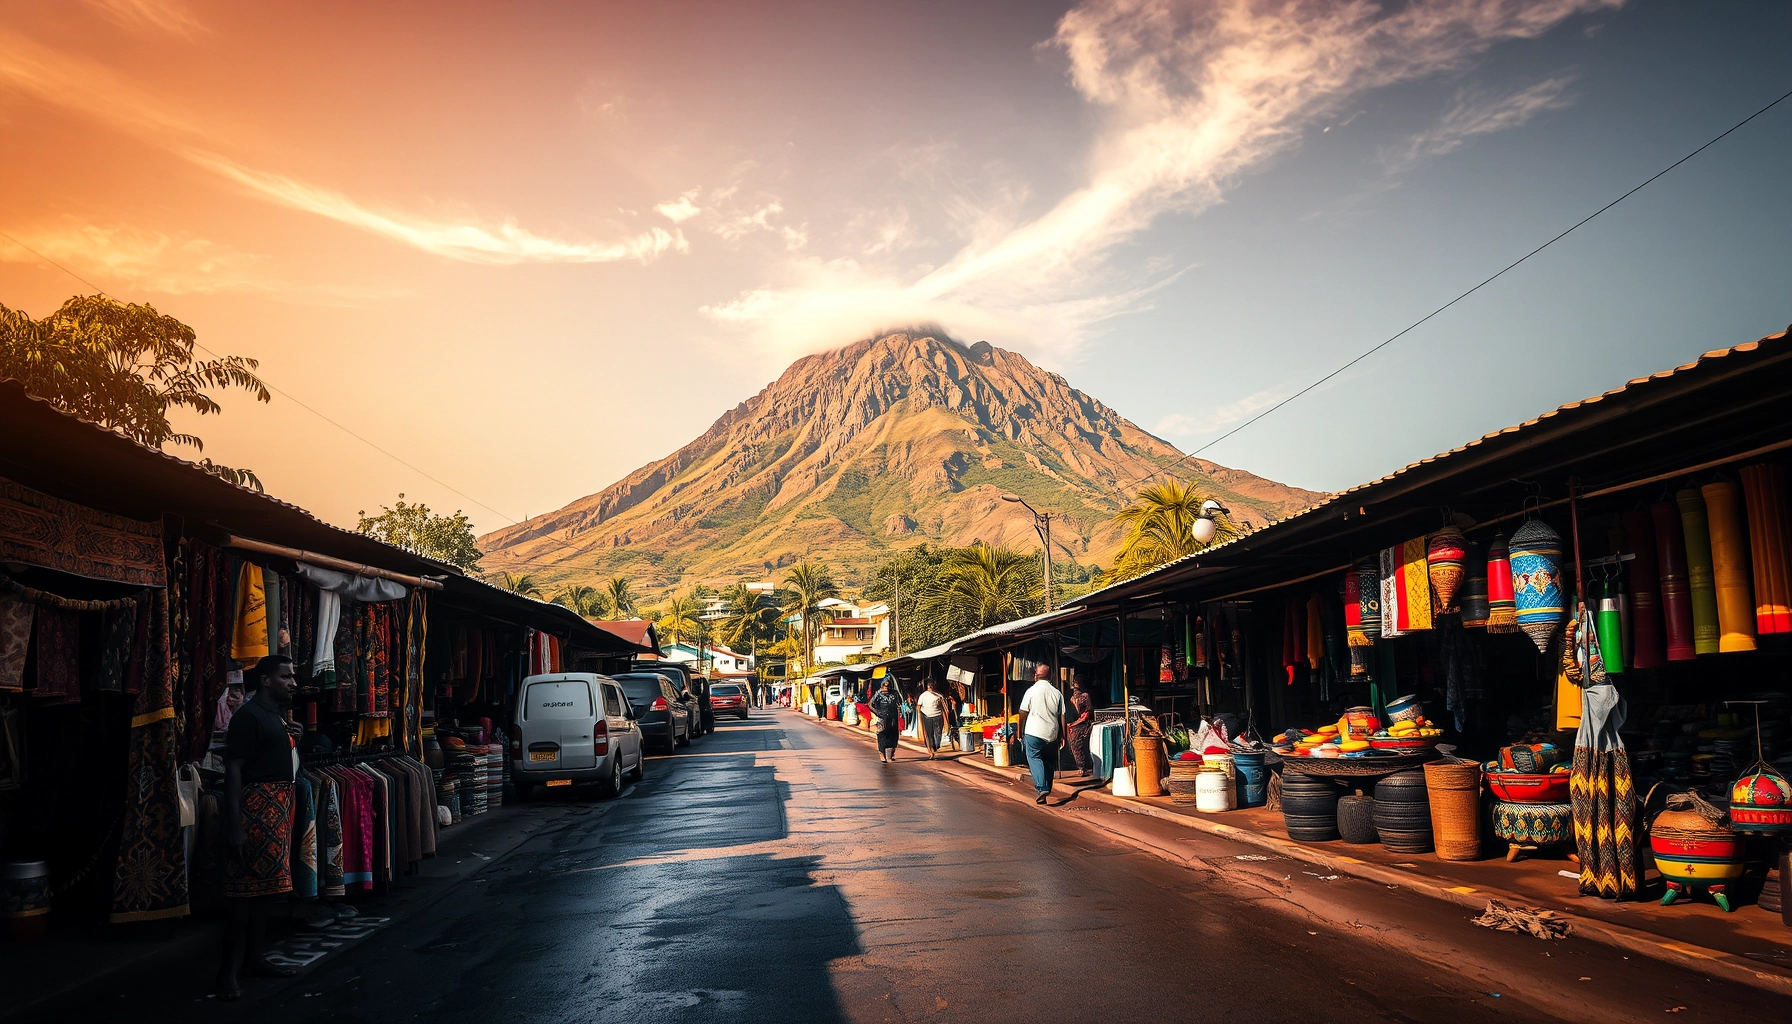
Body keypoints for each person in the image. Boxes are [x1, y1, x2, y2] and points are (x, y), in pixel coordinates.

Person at [217, 655, 303, 1000]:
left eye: (292, 677)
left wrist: (295, 739)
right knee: (243, 896)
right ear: (266, 680)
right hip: (255, 811)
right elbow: (234, 770)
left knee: (267, 892)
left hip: (278, 811)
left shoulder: (278, 717)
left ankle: (254, 958)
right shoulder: (247, 716)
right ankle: (227, 972)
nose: (293, 683)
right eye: (286, 677)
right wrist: (235, 825)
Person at [1017, 664, 1066, 804]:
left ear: (1035, 676)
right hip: (1052, 733)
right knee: (1049, 762)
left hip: (1034, 732)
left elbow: (1022, 712)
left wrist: (1019, 731)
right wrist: (1063, 736)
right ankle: (1046, 789)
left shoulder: (1031, 691)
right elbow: (1062, 716)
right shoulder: (1057, 693)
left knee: (1034, 758)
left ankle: (1042, 788)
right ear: (1051, 676)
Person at [1066, 677, 1095, 778]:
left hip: (1083, 723)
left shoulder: (1085, 696)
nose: (1075, 684)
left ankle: (1083, 767)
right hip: (1074, 722)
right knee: (1072, 743)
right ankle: (1080, 766)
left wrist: (1076, 722)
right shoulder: (1072, 697)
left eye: (1076, 682)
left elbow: (1087, 713)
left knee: (1078, 743)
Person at [869, 678, 903, 763]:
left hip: (893, 717)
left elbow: (900, 703)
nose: (886, 688)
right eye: (884, 686)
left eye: (887, 686)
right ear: (882, 686)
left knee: (893, 735)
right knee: (882, 735)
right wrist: (878, 713)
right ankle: (882, 753)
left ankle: (890, 755)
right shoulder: (878, 694)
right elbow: (870, 705)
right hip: (882, 718)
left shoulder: (894, 693)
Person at [916, 681, 948, 759]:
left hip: (938, 716)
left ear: (934, 686)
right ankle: (931, 751)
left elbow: (944, 706)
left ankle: (936, 747)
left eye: (932, 686)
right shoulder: (923, 695)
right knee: (929, 734)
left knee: (938, 733)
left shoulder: (939, 695)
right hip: (927, 716)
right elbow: (918, 706)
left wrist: (946, 716)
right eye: (929, 686)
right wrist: (920, 714)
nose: (930, 688)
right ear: (927, 687)